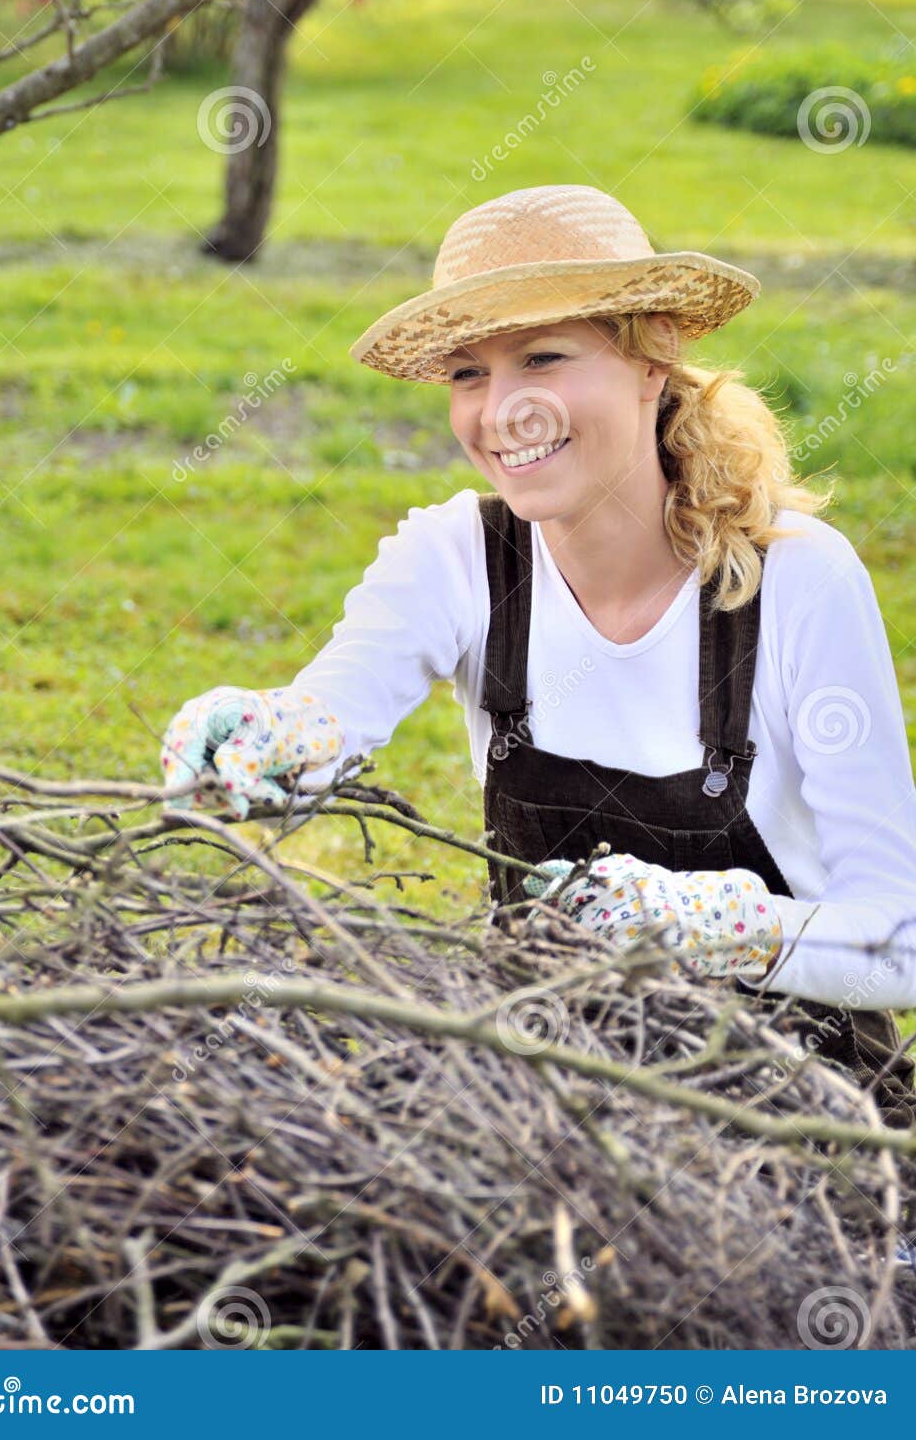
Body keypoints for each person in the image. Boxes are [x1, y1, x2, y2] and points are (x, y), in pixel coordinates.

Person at [160, 184, 916, 1125]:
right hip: (550, 1124)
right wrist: (266, 735)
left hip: (798, 1128)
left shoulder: (797, 583)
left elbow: (901, 941)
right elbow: (336, 709)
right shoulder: (457, 558)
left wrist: (711, 927)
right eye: (468, 375)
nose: (502, 410)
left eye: (543, 358)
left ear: (653, 356)